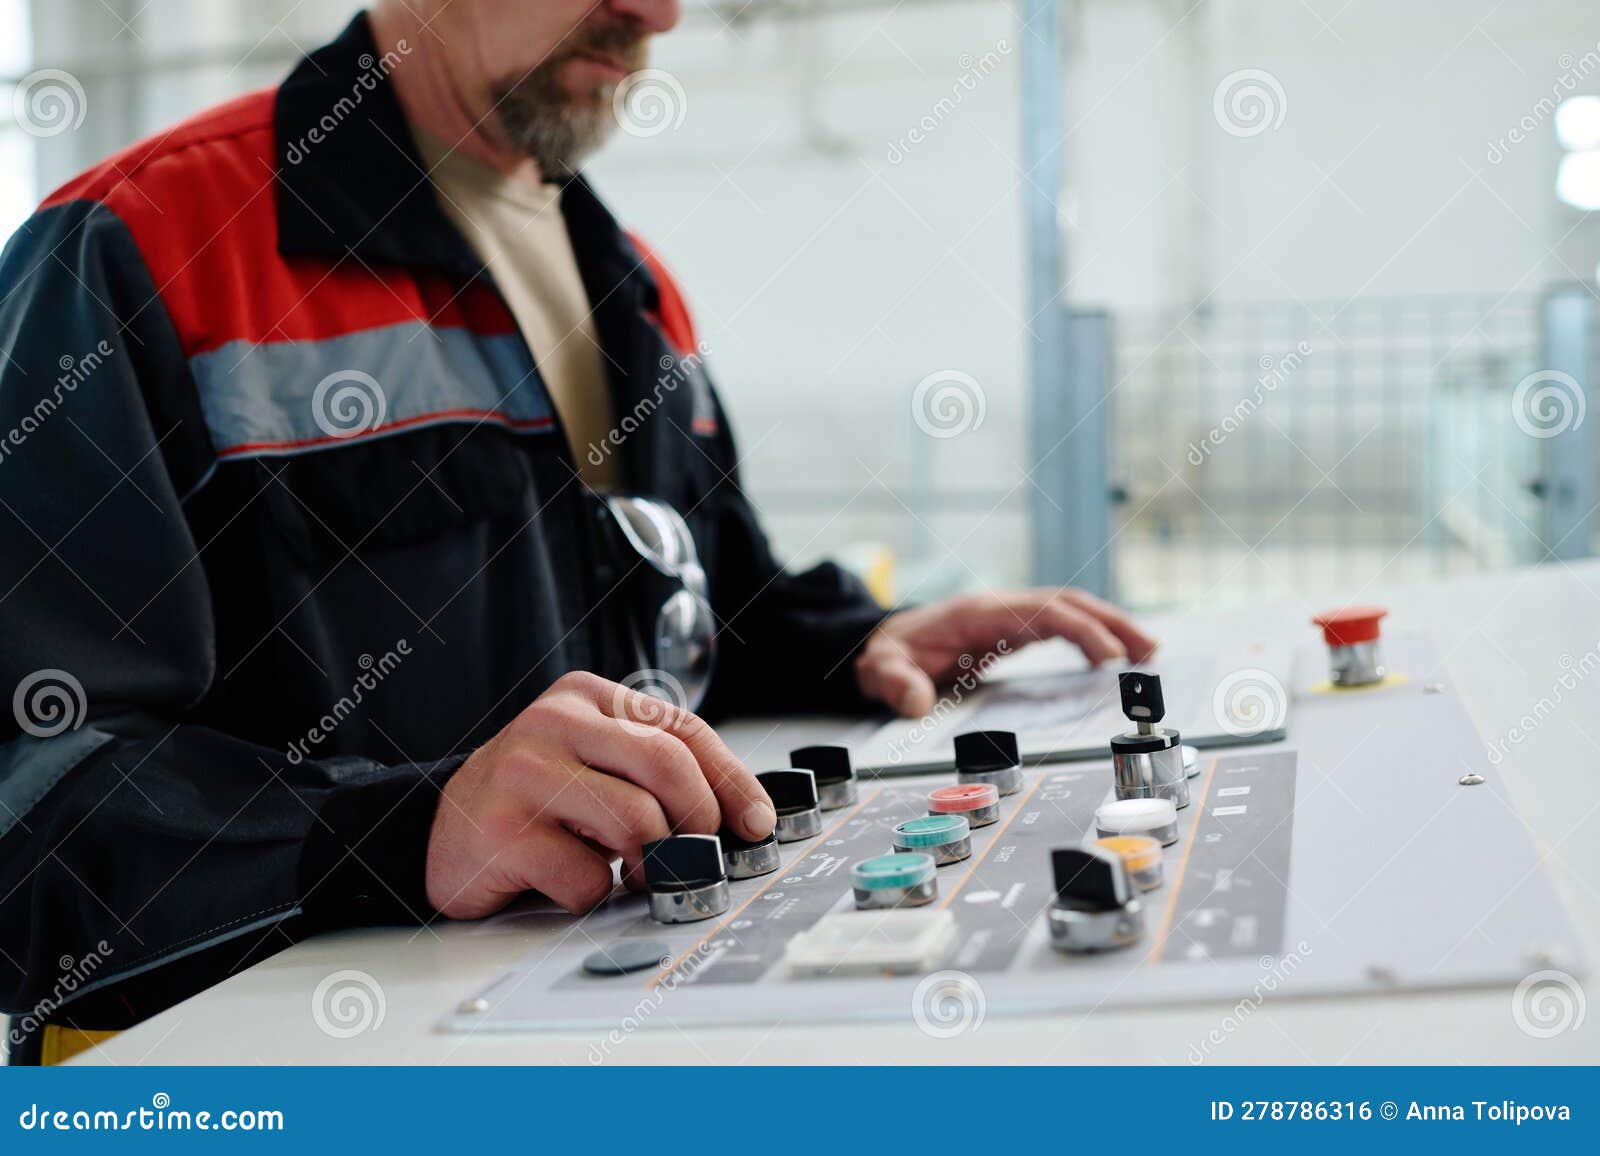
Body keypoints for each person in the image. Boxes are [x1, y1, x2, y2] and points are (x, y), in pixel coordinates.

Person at [0, 0, 1155, 1046]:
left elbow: (689, 615)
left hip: (575, 1025)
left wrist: (849, 639)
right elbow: (32, 798)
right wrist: (404, 830)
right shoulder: (137, 251)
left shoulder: (630, 285)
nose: (657, 12)